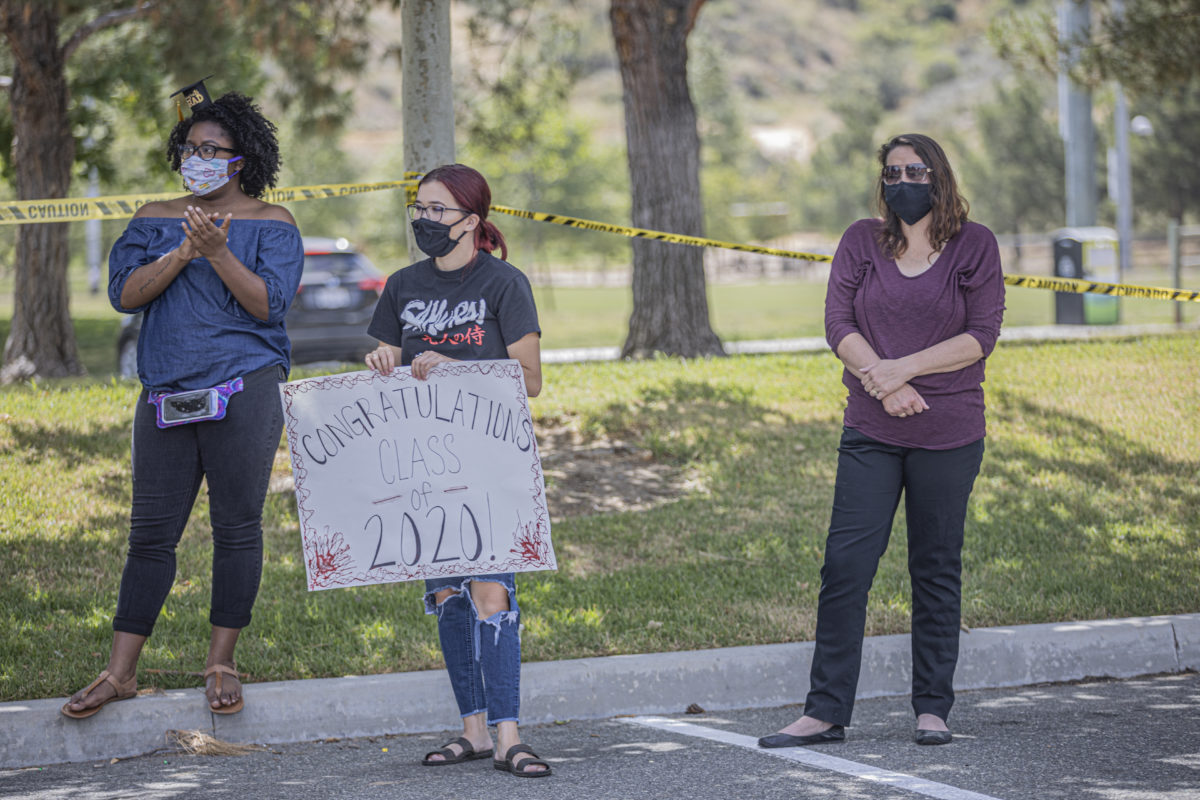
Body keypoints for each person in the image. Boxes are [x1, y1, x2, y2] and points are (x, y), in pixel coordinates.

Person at [61, 81, 302, 719]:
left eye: (213, 149)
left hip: (244, 388)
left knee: (236, 528)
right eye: (191, 146)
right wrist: (183, 251)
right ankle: (120, 673)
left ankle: (221, 660)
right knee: (149, 536)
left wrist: (219, 253)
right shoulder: (151, 218)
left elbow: (268, 305)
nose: (199, 157)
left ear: (240, 160)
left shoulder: (272, 224)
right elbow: (125, 294)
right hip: (165, 393)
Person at [758, 133, 1005, 748]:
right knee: (845, 566)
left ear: (938, 176)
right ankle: (824, 711)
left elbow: (981, 335)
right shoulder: (861, 240)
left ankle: (932, 709)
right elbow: (837, 322)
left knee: (935, 567)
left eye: (914, 170)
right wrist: (883, 382)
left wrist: (904, 368)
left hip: (948, 433)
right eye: (892, 171)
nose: (902, 181)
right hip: (870, 428)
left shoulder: (974, 245)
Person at [365, 164, 550, 777]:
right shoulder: (400, 286)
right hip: (423, 467)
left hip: (490, 464)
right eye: (418, 208)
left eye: (438, 210)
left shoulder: (505, 284)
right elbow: (385, 367)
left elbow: (530, 381)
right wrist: (387, 355)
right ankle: (471, 731)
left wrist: (453, 366)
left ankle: (508, 737)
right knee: (447, 595)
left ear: (472, 220)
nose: (425, 220)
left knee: (491, 592)